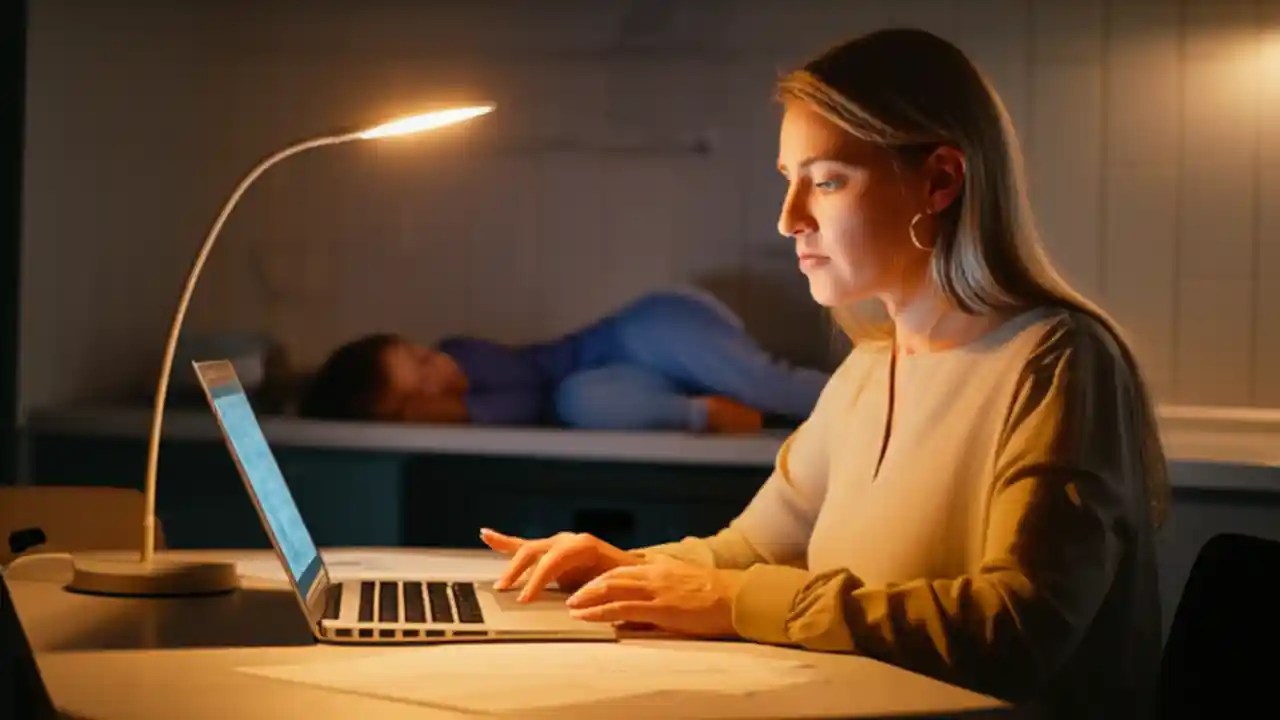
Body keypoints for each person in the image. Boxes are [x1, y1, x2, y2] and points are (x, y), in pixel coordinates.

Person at [478, 28, 1170, 716]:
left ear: (939, 180)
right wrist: (621, 568)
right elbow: (751, 550)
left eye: (828, 181)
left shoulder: (1058, 361)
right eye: (789, 182)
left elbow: (1018, 628)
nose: (789, 220)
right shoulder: (868, 370)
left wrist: (736, 603)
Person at [299, 287, 831, 433]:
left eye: (420, 357)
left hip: (640, 333)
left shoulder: (462, 351)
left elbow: (526, 398)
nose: (435, 368)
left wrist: (452, 409)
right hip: (623, 383)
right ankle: (714, 413)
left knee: (764, 381)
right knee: (579, 402)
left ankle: (871, 397)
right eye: (418, 385)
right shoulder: (467, 411)